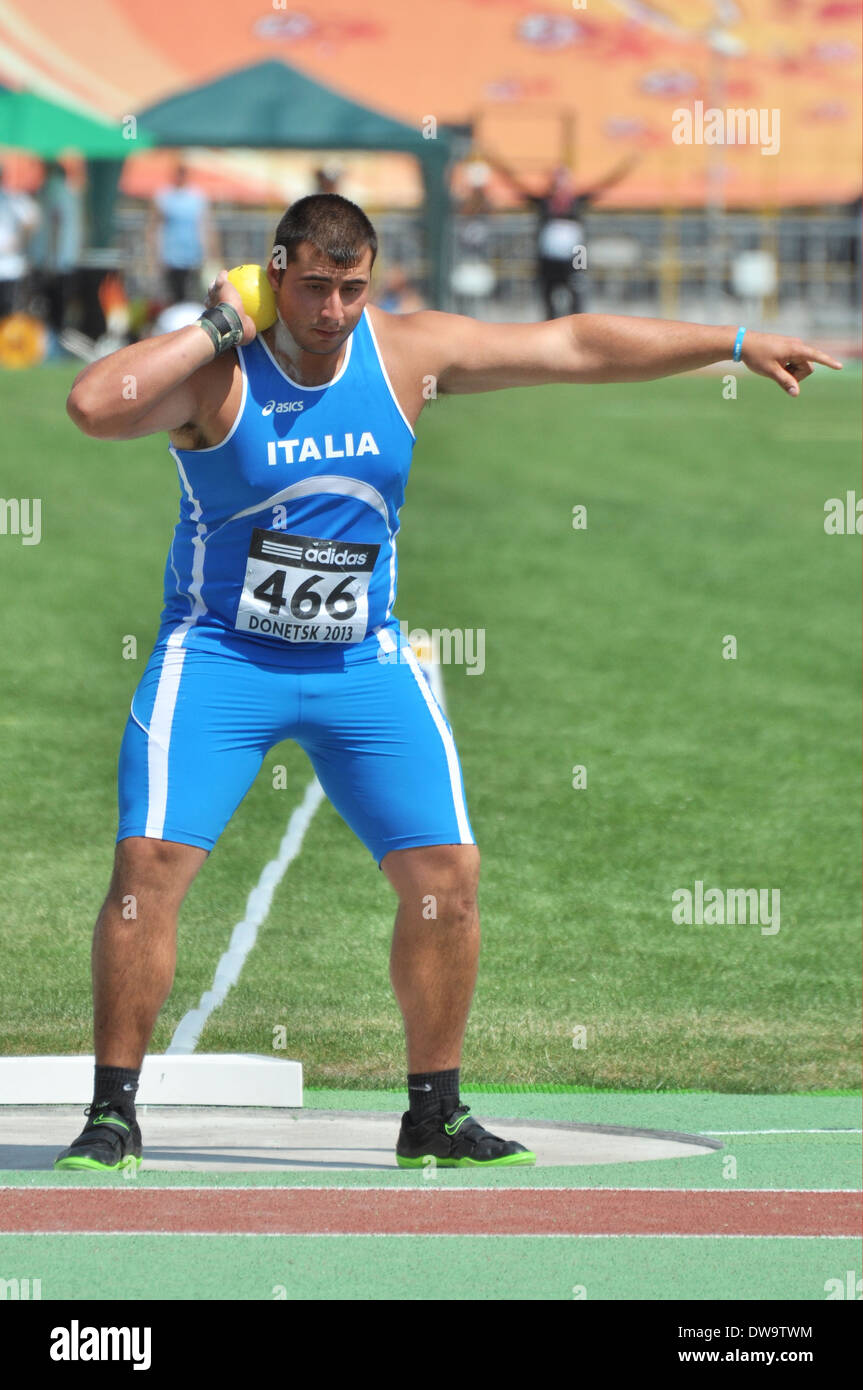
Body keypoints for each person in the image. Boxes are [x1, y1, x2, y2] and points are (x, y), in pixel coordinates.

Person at [57, 193, 841, 1174]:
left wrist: (728, 339)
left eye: (351, 289)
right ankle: (113, 1113)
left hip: (361, 664)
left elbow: (572, 345)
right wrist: (220, 319)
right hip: (220, 657)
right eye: (310, 288)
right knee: (147, 872)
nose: (333, 310)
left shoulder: (406, 353)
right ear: (273, 274)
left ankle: (433, 1111)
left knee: (447, 880)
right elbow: (93, 407)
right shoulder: (218, 367)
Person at [486, 151, 641, 318]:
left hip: (577, 255)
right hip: (548, 258)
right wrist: (494, 161)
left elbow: (605, 184)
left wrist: (627, 166)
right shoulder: (544, 202)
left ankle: (578, 330)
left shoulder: (576, 201)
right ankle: (550, 330)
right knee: (548, 296)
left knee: (577, 293)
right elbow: (514, 183)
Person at [146, 161, 218, 304]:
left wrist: (212, 252)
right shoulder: (163, 196)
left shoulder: (197, 197)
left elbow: (206, 225)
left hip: (194, 255)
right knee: (175, 295)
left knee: (195, 296)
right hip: (171, 256)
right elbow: (153, 227)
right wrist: (153, 255)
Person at [30, 159, 84, 334]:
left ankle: (53, 340)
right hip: (66, 258)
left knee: (51, 304)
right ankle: (58, 337)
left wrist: (51, 259)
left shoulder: (53, 189)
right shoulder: (71, 192)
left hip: (54, 259)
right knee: (61, 305)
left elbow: (56, 224)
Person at [0, 163, 39, 319]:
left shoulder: (12, 198)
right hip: (10, 265)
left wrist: (21, 241)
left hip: (10, 266)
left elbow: (32, 219)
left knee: (8, 315)